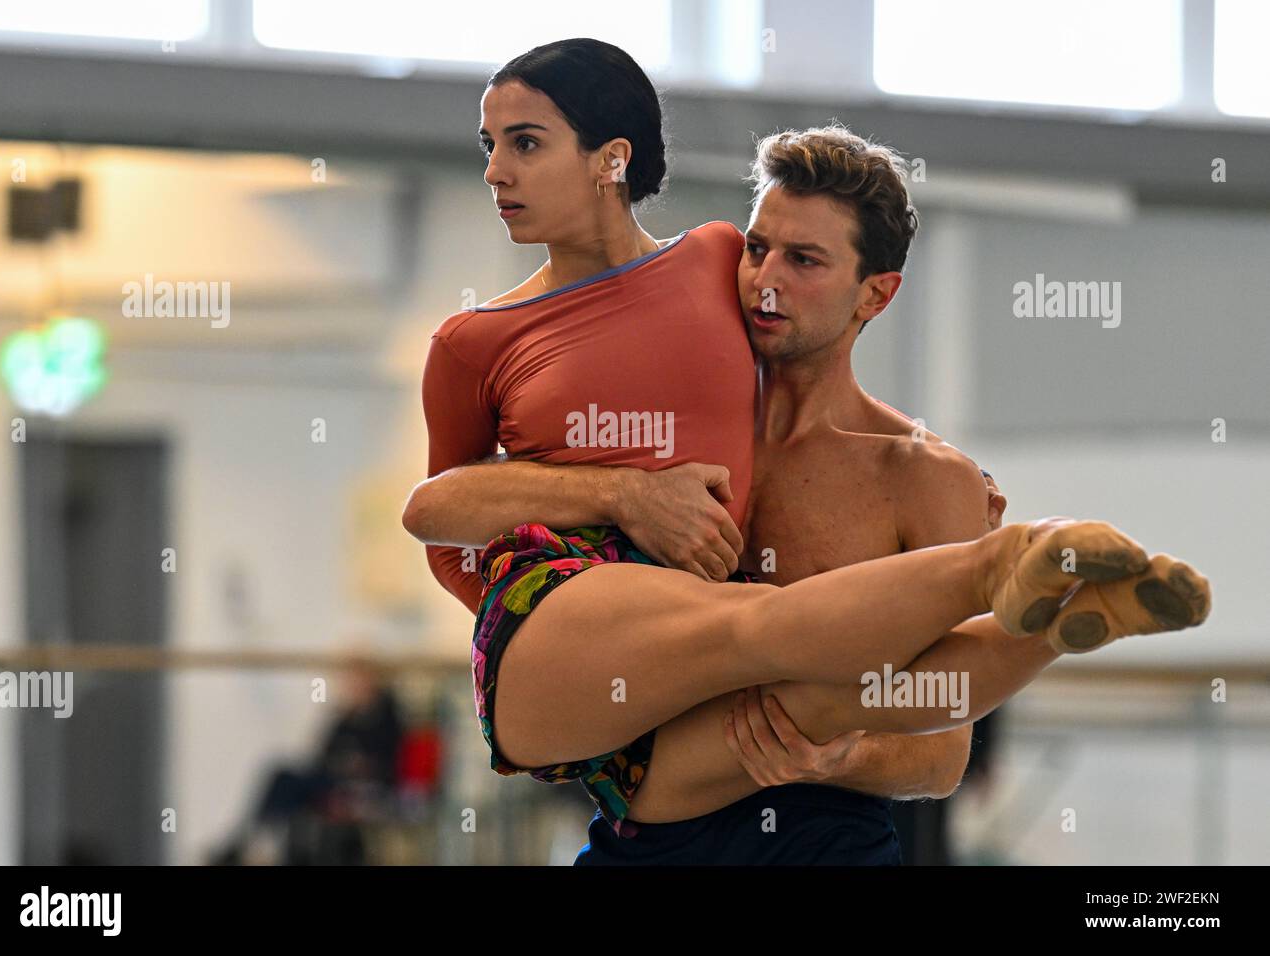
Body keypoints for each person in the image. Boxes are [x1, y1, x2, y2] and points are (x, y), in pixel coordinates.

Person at [401, 38, 1211, 844]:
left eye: (806, 260)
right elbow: (444, 510)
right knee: (767, 633)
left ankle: (1065, 607)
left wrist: (839, 757)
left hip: (786, 818)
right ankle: (1024, 579)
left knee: (813, 689)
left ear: (877, 294)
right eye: (758, 249)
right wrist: (603, 542)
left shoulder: (925, 476)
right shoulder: (660, 363)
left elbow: (936, 762)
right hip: (632, 765)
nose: (765, 279)